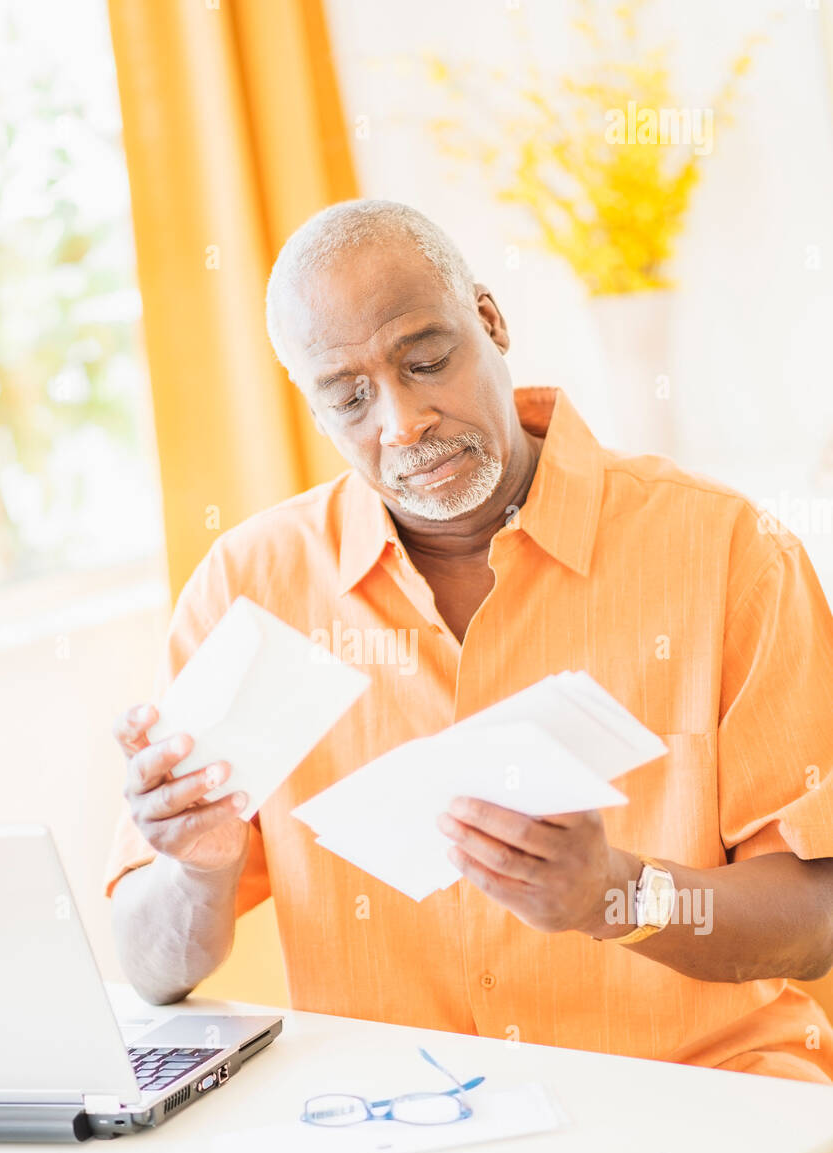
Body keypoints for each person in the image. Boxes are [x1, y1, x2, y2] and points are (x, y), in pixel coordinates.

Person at [106, 199, 833, 1084]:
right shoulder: (247, 588)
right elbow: (150, 969)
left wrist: (615, 895)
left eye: (426, 361)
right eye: (350, 398)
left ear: (489, 321)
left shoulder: (727, 552)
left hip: (699, 1103)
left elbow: (816, 918)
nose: (403, 422)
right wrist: (198, 875)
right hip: (404, 1129)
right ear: (312, 405)